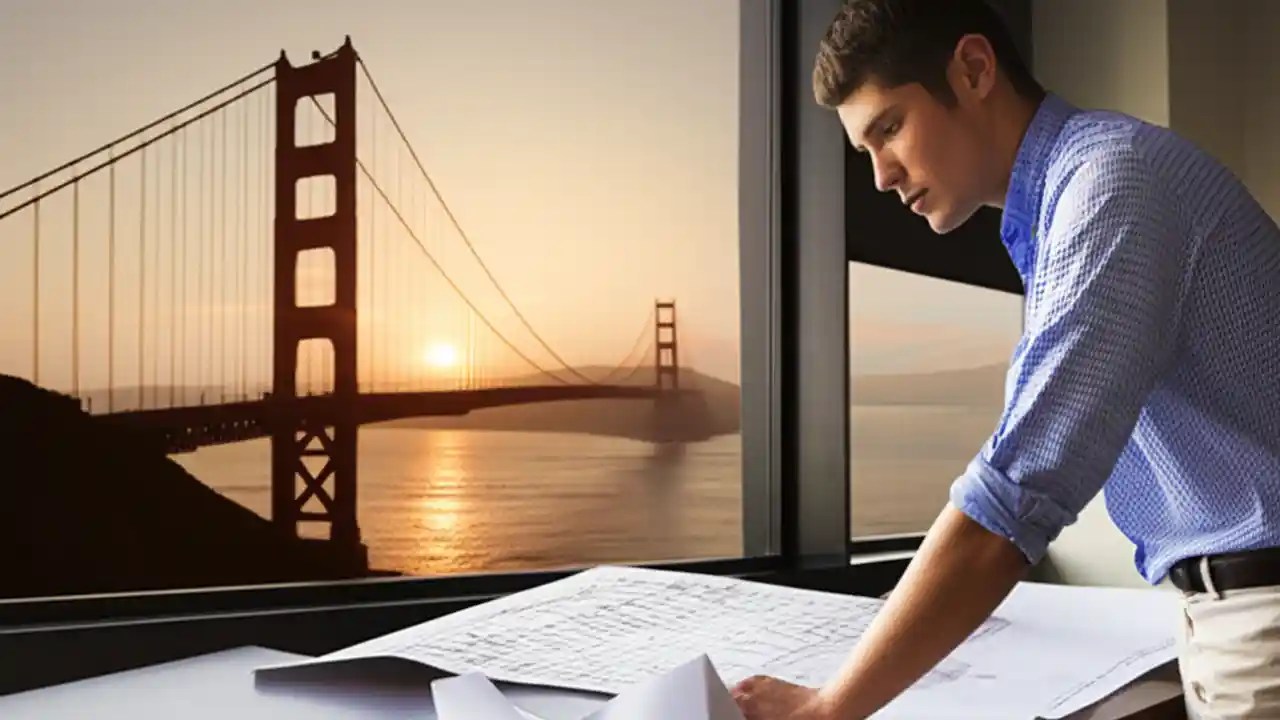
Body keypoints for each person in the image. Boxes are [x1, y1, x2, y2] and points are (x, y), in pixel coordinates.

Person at [729, 1, 1280, 718]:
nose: (880, 178)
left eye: (889, 128)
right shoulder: (1075, 197)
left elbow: (1011, 503)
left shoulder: (1112, 186)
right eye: (864, 150)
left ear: (975, 69)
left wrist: (829, 708)